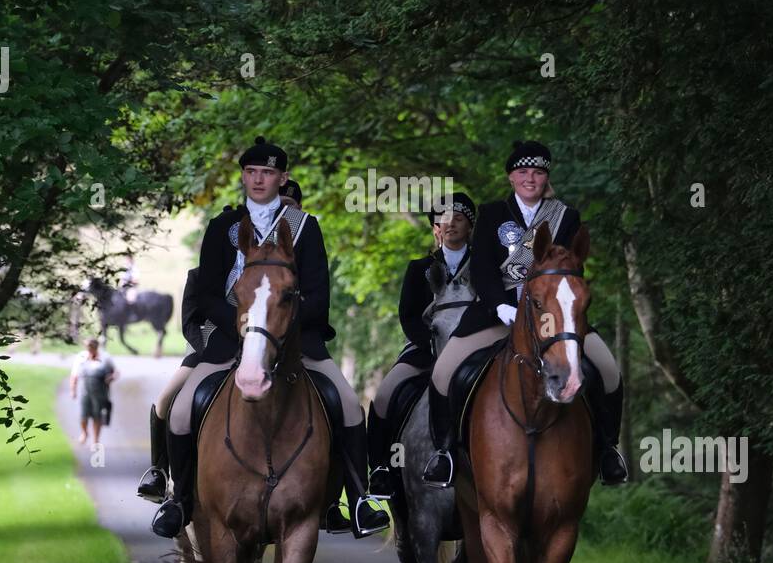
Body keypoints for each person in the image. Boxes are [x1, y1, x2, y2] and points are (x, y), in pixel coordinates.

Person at [149, 137, 390, 540]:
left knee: (349, 405)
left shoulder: (305, 227)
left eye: (268, 172)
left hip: (294, 342)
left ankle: (360, 498)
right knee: (178, 411)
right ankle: (179, 500)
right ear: (244, 176)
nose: (259, 179)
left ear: (282, 178)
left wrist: (276, 331)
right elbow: (207, 293)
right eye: (252, 172)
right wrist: (243, 328)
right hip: (228, 340)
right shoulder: (222, 227)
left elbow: (319, 294)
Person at [422, 140, 629, 488]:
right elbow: (485, 266)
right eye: (523, 172)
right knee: (444, 372)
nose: (530, 178)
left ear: (546, 176)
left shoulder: (565, 216)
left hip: (554, 318)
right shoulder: (491, 214)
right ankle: (444, 453)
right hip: (496, 315)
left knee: (608, 370)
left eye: (537, 172)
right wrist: (498, 304)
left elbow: (569, 269)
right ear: (511, 177)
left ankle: (608, 450)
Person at [138, 186, 305, 505]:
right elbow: (190, 323)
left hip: (277, 347)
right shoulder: (205, 272)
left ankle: (340, 494)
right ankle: (163, 476)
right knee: (167, 401)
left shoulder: (289, 263)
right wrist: (216, 345)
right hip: (209, 348)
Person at [367, 193, 476, 499]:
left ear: (470, 227)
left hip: (473, 350)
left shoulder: (483, 267)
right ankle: (380, 470)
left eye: (457, 219)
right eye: (441, 221)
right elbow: (408, 315)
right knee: (385, 396)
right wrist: (427, 343)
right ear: (434, 230)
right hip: (424, 349)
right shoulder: (418, 269)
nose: (449, 225)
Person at [70, 338, 117, 447]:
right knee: (83, 415)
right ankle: (85, 432)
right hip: (85, 391)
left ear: (96, 347)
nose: (90, 349)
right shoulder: (81, 357)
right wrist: (73, 389)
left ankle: (96, 440)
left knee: (97, 415)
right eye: (88, 347)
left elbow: (115, 372)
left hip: (101, 391)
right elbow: (74, 375)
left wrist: (111, 378)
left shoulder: (105, 358)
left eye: (92, 347)